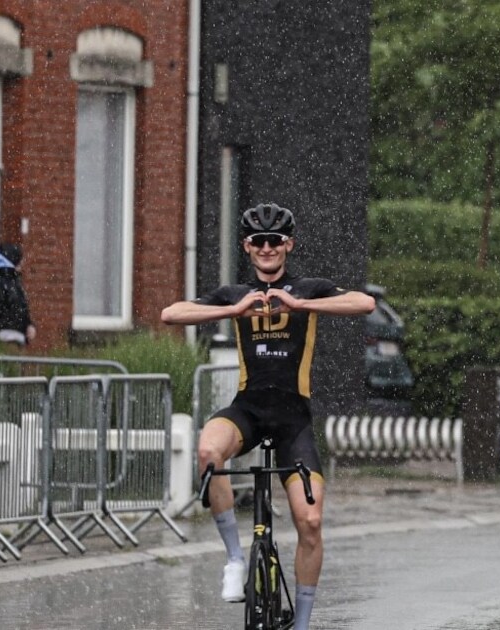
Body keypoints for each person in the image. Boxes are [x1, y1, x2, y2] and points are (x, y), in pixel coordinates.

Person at [161, 203, 374, 630]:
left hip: (293, 418)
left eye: (275, 240)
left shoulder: (308, 289)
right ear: (246, 247)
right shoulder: (233, 294)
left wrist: (299, 304)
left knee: (310, 521)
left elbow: (364, 302)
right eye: (258, 241)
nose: (267, 248)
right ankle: (236, 560)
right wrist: (233, 311)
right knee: (208, 451)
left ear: (288, 245)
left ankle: (302, 624)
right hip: (248, 410)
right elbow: (171, 314)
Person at [0, 243, 36, 347]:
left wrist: (29, 324)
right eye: (19, 260)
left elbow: (22, 310)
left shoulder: (15, 283)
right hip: (4, 337)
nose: (22, 263)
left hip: (14, 336)